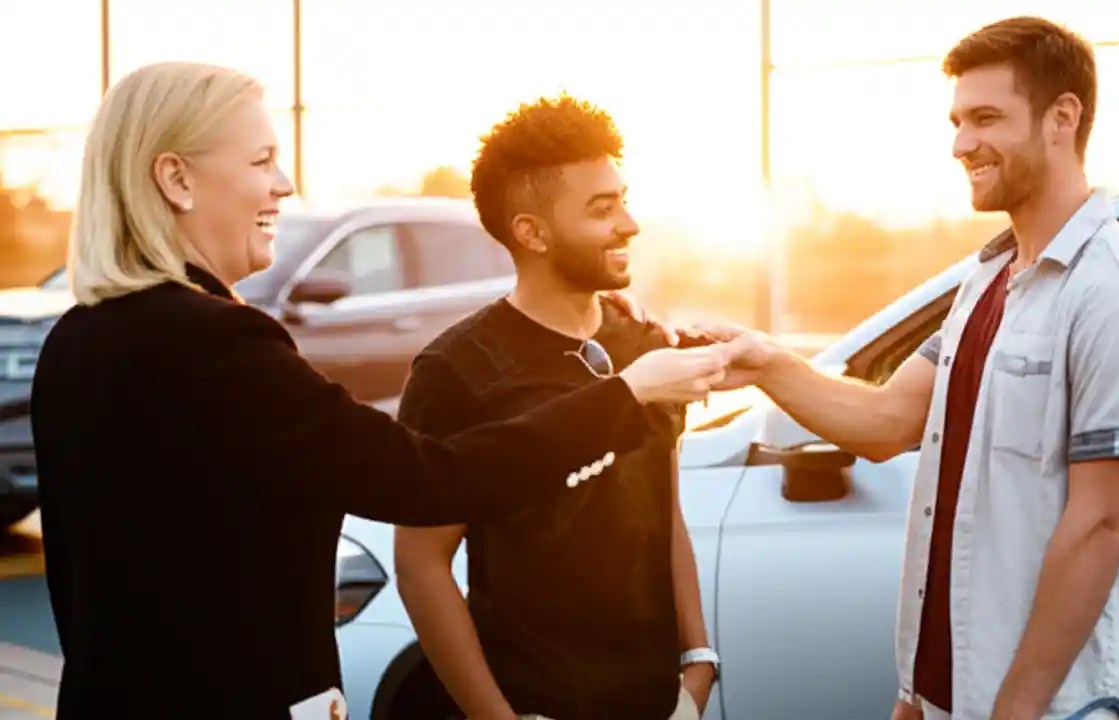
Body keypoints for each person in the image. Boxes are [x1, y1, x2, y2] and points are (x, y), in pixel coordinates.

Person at [30, 63, 730, 719]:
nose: (284, 185)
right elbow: (428, 479)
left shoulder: (76, 341)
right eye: (261, 161)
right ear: (175, 179)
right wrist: (624, 396)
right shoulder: (216, 346)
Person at [704, 16, 1119, 720]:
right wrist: (768, 364)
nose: (962, 144)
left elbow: (1103, 524)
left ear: (1063, 118)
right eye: (958, 121)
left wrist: (1015, 709)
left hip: (1049, 707)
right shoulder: (987, 283)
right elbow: (887, 421)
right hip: (950, 696)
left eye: (986, 118)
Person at [393, 95, 714, 720]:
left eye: (623, 200)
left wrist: (698, 664)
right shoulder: (457, 371)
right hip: (537, 703)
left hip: (659, 704)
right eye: (602, 209)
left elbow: (664, 511)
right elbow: (421, 564)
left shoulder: (645, 342)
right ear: (531, 233)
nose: (629, 224)